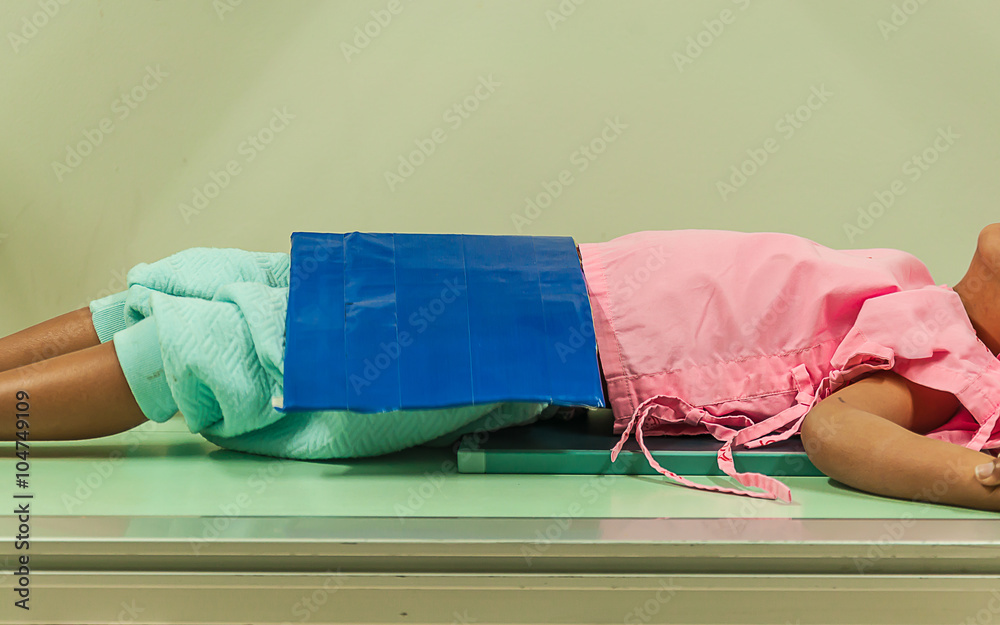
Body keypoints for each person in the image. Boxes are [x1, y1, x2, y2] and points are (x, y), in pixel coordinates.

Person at [2, 226, 1000, 511]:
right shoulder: (917, 286)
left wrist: (975, 476)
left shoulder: (952, 354)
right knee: (223, 284)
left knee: (217, 350)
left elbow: (838, 429)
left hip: (549, 344)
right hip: (553, 277)